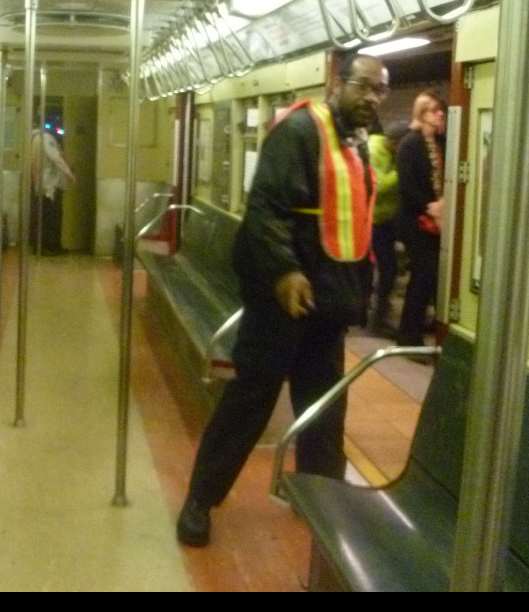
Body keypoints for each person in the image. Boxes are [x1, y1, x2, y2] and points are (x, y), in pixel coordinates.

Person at [176, 53, 387, 547]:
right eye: (365, 87)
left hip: (328, 298)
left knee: (324, 405)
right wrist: (284, 271)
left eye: (380, 90)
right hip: (283, 297)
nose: (372, 98)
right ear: (338, 82)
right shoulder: (297, 133)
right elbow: (266, 207)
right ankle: (199, 499)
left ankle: (322, 498)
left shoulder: (359, 143)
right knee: (251, 398)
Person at [395, 91, 446, 347]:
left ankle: (430, 327)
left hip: (438, 220)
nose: (441, 115)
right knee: (424, 274)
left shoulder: (440, 143)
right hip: (415, 221)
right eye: (435, 110)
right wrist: (431, 208)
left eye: (441, 111)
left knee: (435, 276)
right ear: (422, 113)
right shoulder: (410, 144)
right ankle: (407, 336)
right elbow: (408, 186)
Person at [368, 120, 410, 335]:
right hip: (373, 222)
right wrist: (399, 170)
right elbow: (380, 185)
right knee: (386, 269)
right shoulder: (373, 151)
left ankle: (378, 314)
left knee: (390, 269)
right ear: (393, 142)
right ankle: (375, 319)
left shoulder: (390, 152)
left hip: (388, 220)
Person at [30, 122, 75, 255]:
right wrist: (70, 174)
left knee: (43, 216)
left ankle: (41, 246)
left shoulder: (33, 140)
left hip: (40, 184)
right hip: (50, 185)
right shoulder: (46, 138)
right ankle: (51, 246)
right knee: (52, 216)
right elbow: (56, 158)